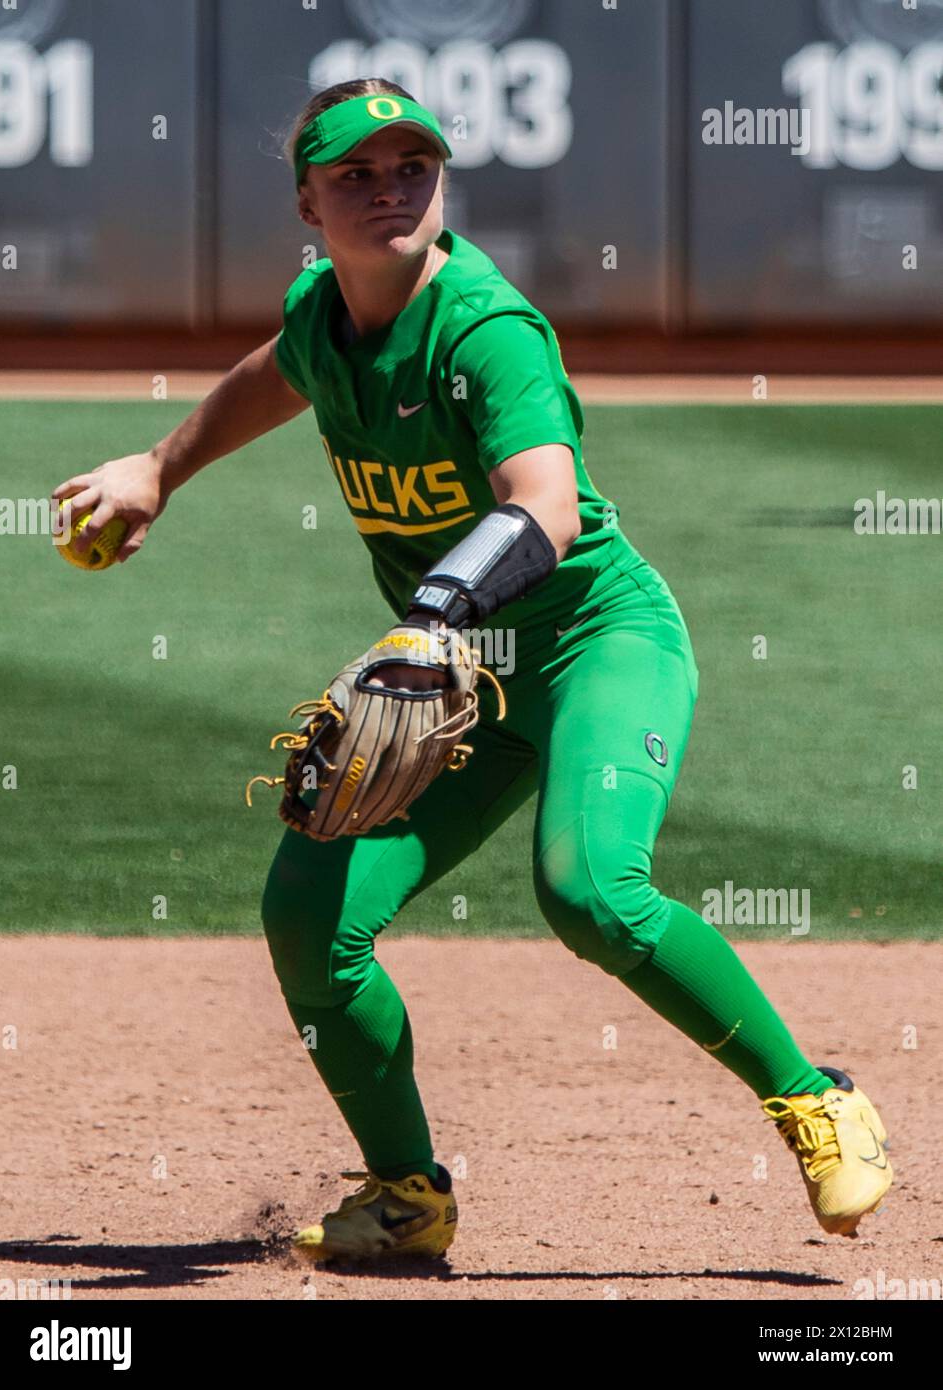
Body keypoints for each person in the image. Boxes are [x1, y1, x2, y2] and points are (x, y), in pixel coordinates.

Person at [51, 78, 892, 1265]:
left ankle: (818, 1097)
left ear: (441, 183)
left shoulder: (486, 328)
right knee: (309, 915)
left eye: (412, 168)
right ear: (308, 201)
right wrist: (158, 466)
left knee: (590, 891)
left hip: (595, 642)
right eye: (356, 174)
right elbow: (276, 374)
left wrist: (438, 612)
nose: (389, 190)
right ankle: (407, 1195)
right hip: (457, 681)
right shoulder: (321, 315)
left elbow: (543, 506)